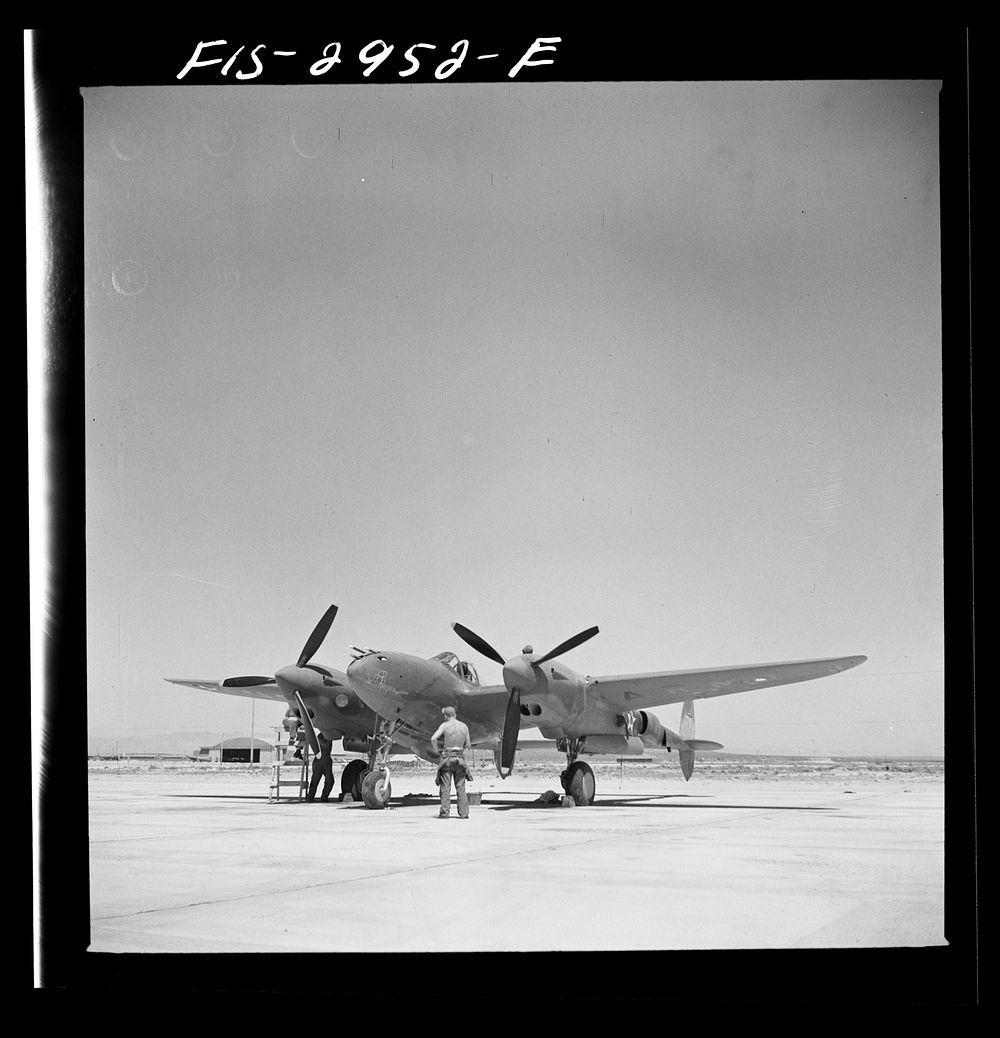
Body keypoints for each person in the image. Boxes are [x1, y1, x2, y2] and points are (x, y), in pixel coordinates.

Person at [430, 705, 472, 819]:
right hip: (460, 758)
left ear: (446, 715)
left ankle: (444, 813)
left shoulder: (445, 725)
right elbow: (468, 745)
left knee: (445, 787)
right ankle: (464, 814)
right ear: (455, 715)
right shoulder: (464, 727)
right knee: (461, 787)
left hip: (447, 758)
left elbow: (433, 738)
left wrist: (436, 750)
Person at [307, 732, 335, 801]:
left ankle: (324, 797)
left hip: (326, 760)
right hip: (319, 761)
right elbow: (326, 746)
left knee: (330, 781)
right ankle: (310, 797)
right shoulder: (319, 737)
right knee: (315, 781)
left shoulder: (328, 736)